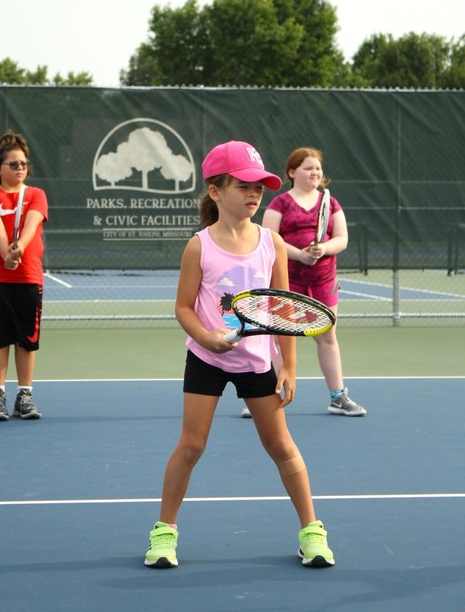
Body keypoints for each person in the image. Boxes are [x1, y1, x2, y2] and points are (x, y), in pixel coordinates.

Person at [144, 140, 335, 570]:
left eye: (259, 187)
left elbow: (283, 307)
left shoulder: (271, 242)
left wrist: (289, 365)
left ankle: (312, 532)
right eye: (243, 185)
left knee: (281, 446)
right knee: (191, 446)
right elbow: (182, 307)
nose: (254, 194)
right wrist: (206, 337)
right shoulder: (199, 246)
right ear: (215, 191)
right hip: (207, 359)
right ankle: (163, 532)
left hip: (257, 361)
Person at [240, 146, 365, 418]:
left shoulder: (330, 203)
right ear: (292, 172)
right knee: (278, 339)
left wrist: (323, 250)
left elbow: (341, 239)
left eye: (318, 168)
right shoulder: (280, 204)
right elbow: (269, 239)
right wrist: (298, 255)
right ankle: (268, 397)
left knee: (327, 338)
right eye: (309, 168)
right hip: (288, 281)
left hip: (323, 281)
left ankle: (338, 397)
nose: (315, 172)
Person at [0, 130, 48, 421]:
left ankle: (25, 395)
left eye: (23, 164)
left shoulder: (35, 195)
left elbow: (32, 224)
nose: (20, 168)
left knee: (27, 340)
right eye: (13, 164)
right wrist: (7, 254)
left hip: (28, 277)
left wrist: (19, 249)